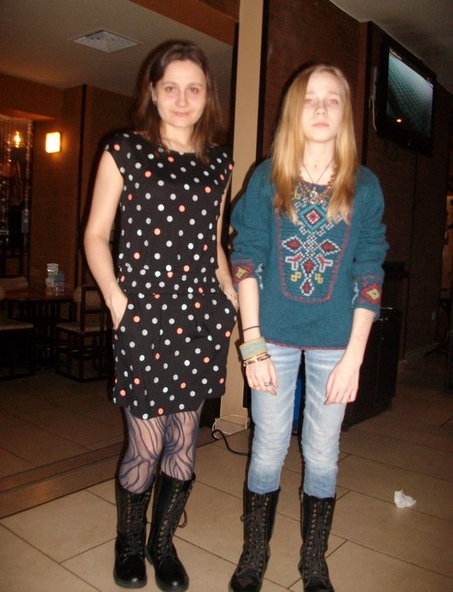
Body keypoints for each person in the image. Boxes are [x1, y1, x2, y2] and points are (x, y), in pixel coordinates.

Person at [84, 39, 237, 591]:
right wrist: (116, 300)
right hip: (143, 315)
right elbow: (96, 234)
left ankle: (162, 543)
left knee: (184, 443)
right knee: (146, 444)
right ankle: (129, 543)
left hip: (199, 316)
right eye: (171, 87)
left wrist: (231, 294)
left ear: (207, 96)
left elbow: (212, 244)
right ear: (152, 91)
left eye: (194, 89)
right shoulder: (123, 149)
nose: (182, 99)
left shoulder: (219, 163)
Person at [229, 63, 388, 592]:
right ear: (294, 110)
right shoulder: (267, 177)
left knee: (322, 452)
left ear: (345, 113)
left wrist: (354, 358)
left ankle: (313, 562)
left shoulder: (364, 187)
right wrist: (252, 345)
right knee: (268, 445)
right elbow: (246, 261)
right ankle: (254, 554)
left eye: (332, 98)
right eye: (310, 98)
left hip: (335, 344)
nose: (320, 108)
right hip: (270, 337)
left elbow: (370, 273)